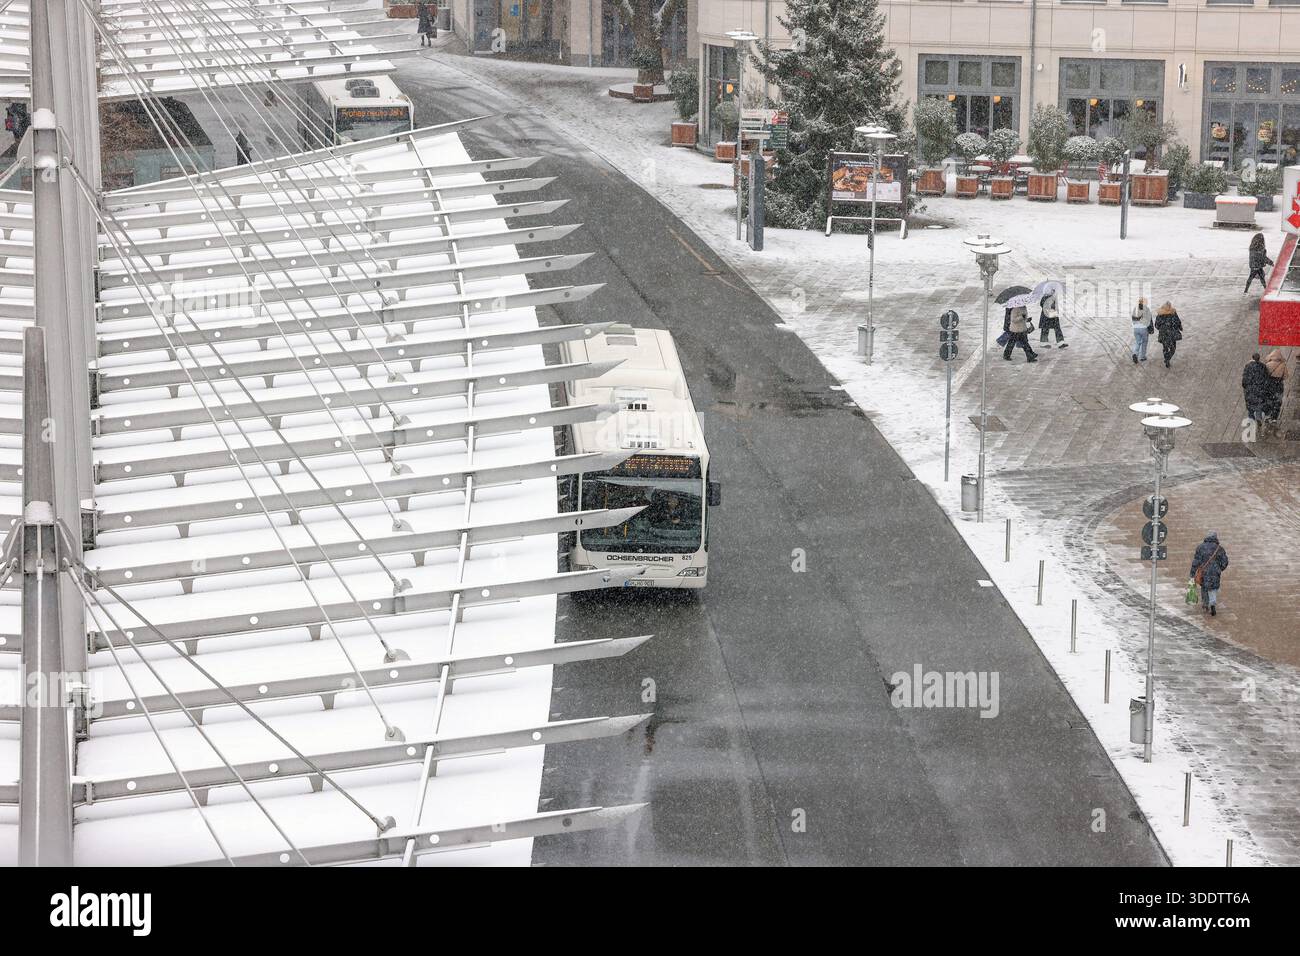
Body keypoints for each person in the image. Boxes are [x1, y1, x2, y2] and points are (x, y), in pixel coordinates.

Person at [1189, 532, 1229, 616]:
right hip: (1215, 571)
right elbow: (1225, 561)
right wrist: (1220, 568)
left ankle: (1205, 604)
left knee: (1204, 587)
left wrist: (1192, 573)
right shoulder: (1219, 548)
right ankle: (1212, 603)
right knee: (1213, 588)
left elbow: (1196, 561)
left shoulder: (1200, 547)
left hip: (1204, 571)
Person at [1263, 348, 1290, 433]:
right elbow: (1286, 376)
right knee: (1277, 401)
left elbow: (1264, 376)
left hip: (1269, 385)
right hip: (1279, 385)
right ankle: (1274, 417)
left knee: (1268, 399)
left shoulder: (1267, 365)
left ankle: (1268, 415)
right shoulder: (1283, 365)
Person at [1241, 352, 1271, 427]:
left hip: (1250, 389)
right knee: (1259, 404)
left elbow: (1244, 379)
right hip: (1260, 389)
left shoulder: (1248, 366)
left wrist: (1245, 386)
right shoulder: (1263, 366)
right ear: (1259, 358)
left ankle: (1251, 420)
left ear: (1252, 358)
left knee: (1250, 404)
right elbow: (1266, 378)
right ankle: (1258, 417)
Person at [1153, 301, 1182, 368]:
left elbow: (1157, 325)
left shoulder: (1159, 314)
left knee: (1165, 348)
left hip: (1163, 333)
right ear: (1170, 306)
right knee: (1173, 348)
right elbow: (1177, 321)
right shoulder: (1173, 312)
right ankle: (1167, 358)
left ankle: (1166, 359)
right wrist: (1180, 327)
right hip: (1172, 333)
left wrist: (1161, 329)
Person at [1130, 297, 1153, 364]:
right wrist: (1148, 327)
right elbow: (1149, 320)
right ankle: (1142, 357)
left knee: (1137, 342)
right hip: (1143, 328)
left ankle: (1135, 353)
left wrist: (1136, 324)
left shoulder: (1135, 308)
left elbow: (1133, 319)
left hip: (1136, 328)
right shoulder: (1146, 309)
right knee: (1144, 342)